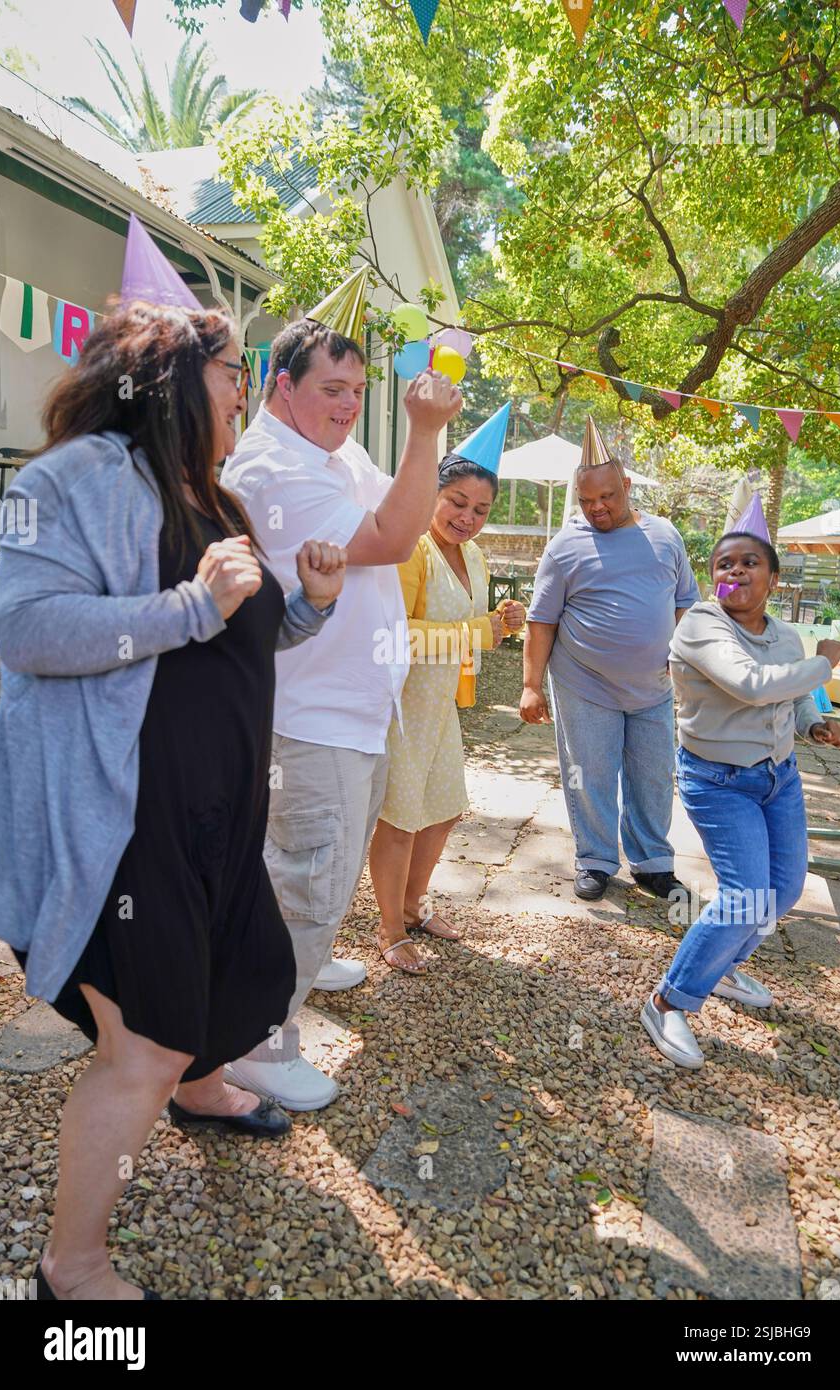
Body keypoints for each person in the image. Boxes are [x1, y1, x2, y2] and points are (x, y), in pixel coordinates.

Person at [0, 301, 345, 1300]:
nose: (246, 388)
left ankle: (200, 1090)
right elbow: (23, 630)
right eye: (238, 370)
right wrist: (196, 605)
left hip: (218, 807)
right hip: (127, 818)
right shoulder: (62, 477)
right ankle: (74, 1261)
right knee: (142, 1033)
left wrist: (305, 604)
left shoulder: (210, 493)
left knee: (232, 967)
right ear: (174, 375)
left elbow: (236, 636)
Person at [220, 319, 462, 1109]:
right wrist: (427, 429)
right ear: (279, 385)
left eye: (359, 392)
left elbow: (399, 497)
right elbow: (397, 533)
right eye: (331, 390)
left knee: (324, 865)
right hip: (308, 712)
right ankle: (259, 1042)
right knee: (307, 882)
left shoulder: (324, 448)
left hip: (352, 707)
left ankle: (304, 965)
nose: (350, 406)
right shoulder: (271, 466)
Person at [641, 530, 840, 1069]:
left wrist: (815, 722)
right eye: (723, 563)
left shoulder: (783, 635)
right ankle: (668, 1000)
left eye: (749, 562)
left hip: (779, 777)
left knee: (783, 890)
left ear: (773, 579)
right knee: (745, 897)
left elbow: (791, 694)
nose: (733, 571)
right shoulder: (700, 625)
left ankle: (723, 965)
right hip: (718, 780)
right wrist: (826, 662)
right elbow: (752, 684)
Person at [520, 416, 699, 903]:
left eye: (607, 497)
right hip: (586, 684)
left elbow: (686, 601)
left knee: (654, 775)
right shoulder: (564, 548)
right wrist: (531, 685)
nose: (597, 508)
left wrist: (682, 655)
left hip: (653, 688)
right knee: (591, 773)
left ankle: (652, 863)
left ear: (626, 485)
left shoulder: (666, 536)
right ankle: (596, 860)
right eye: (587, 500)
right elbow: (541, 621)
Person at [369, 428, 526, 974]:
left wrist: (505, 619)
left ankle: (413, 906)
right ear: (432, 495)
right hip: (404, 704)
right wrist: (482, 630)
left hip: (443, 705)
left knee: (443, 810)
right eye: (457, 502)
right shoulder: (410, 548)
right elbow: (396, 635)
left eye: (480, 509)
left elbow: (470, 623)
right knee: (400, 817)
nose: (467, 516)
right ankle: (388, 926)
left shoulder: (475, 557)